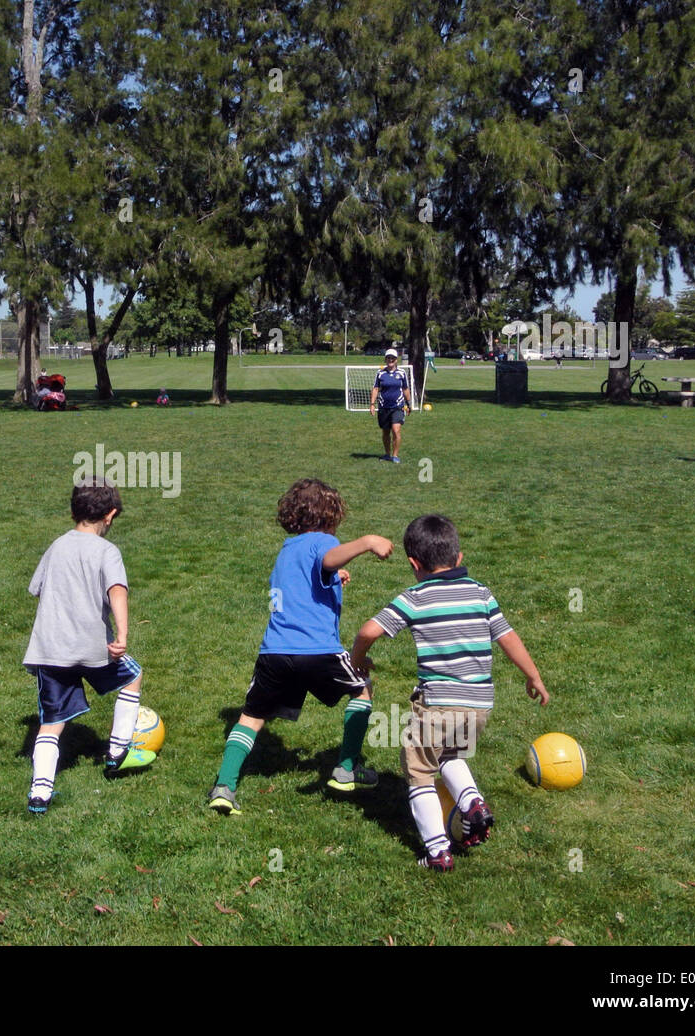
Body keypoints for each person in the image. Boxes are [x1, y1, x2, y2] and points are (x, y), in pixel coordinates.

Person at [349, 514, 548, 872]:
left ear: (413, 564)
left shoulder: (415, 597)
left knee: (419, 769)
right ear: (459, 557)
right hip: (479, 704)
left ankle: (437, 851)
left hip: (438, 702)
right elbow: (507, 637)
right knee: (450, 754)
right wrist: (533, 676)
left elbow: (368, 631)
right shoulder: (480, 592)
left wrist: (358, 657)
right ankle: (472, 803)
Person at [208, 478, 393, 816]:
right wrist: (367, 542)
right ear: (330, 515)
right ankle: (346, 769)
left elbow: (308, 580)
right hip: (317, 650)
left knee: (251, 717)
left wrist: (335, 576)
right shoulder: (323, 541)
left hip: (274, 653)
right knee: (362, 690)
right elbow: (328, 556)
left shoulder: (287, 550)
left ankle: (224, 786)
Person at [23, 480, 154, 813]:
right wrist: (122, 634)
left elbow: (36, 588)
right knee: (132, 677)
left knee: (51, 722)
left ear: (72, 512)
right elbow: (117, 590)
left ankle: (40, 792)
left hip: (50, 650)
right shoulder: (107, 551)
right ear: (110, 516)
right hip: (94, 647)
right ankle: (117, 752)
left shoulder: (56, 546)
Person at [368, 348, 412, 463]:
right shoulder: (380, 373)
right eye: (388, 358)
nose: (390, 360)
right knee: (385, 432)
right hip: (383, 407)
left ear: (396, 360)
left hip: (398, 406)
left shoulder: (401, 373)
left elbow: (405, 389)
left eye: (393, 358)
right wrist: (372, 404)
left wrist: (409, 403)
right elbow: (376, 389)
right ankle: (387, 454)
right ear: (385, 359)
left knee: (396, 430)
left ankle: (395, 455)